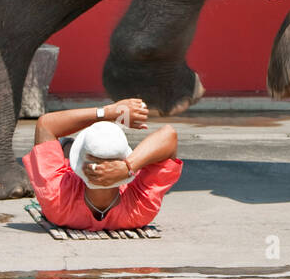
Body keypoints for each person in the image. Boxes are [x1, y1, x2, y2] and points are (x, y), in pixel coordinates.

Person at [23, 97, 182, 231]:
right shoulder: (139, 211)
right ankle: (69, 147)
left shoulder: (57, 202)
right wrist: (129, 167)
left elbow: (45, 125)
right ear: (124, 158)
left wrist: (108, 112)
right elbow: (169, 134)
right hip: (122, 177)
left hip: (73, 170)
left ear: (79, 166)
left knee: (61, 152)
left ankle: (68, 147)